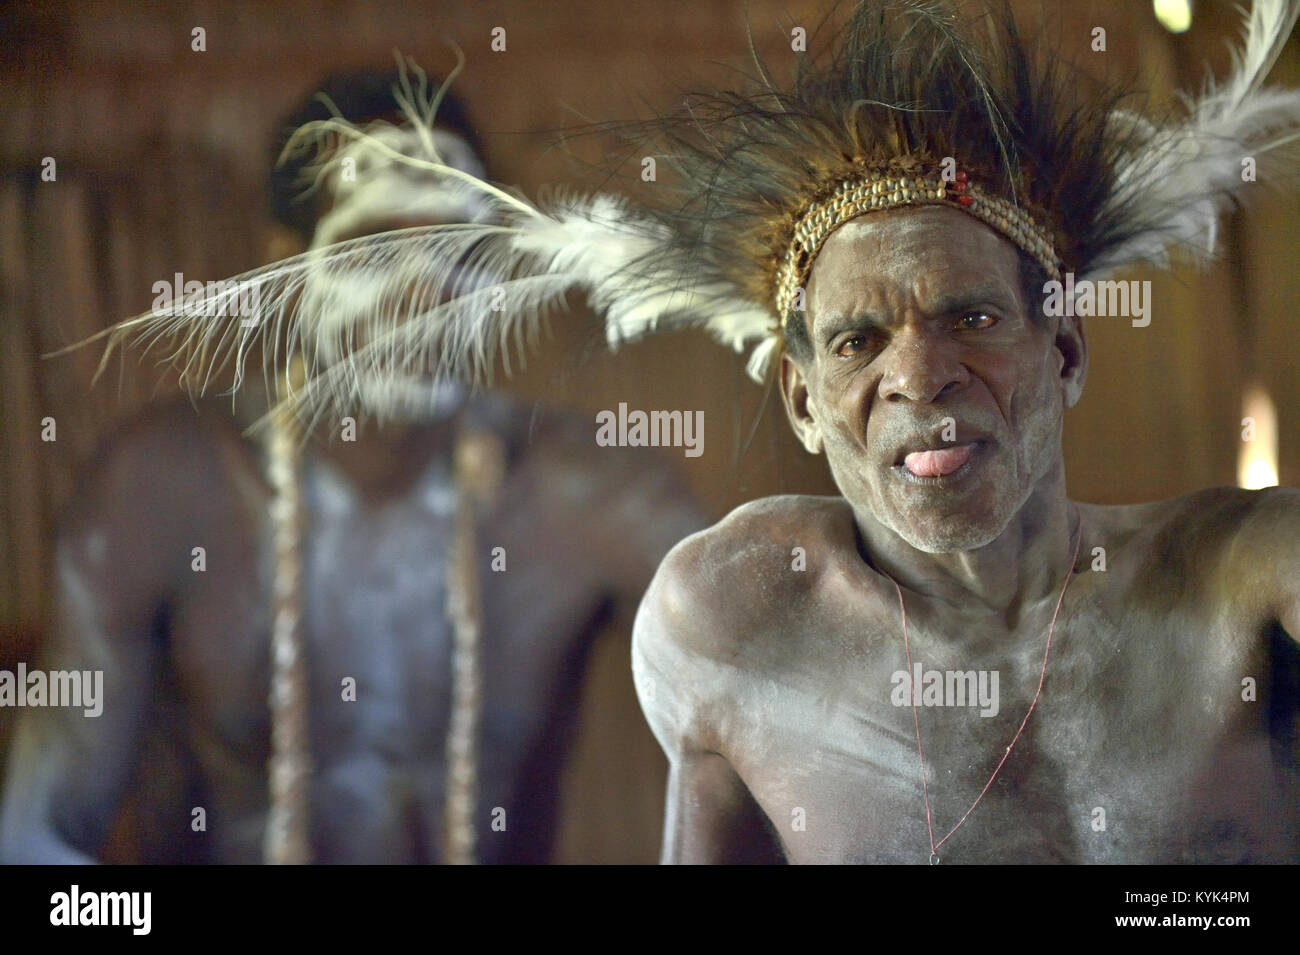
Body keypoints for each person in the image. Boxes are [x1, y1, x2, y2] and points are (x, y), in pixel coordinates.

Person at [628, 2, 1300, 862]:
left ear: (1064, 352)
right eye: (857, 341)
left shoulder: (1247, 576)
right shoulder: (735, 623)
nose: (918, 375)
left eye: (972, 318)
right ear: (802, 402)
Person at [0, 68, 703, 864]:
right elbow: (35, 839)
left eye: (460, 249)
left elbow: (753, 706)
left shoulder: (587, 491)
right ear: (290, 270)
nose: (426, 295)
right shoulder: (160, 486)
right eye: (375, 247)